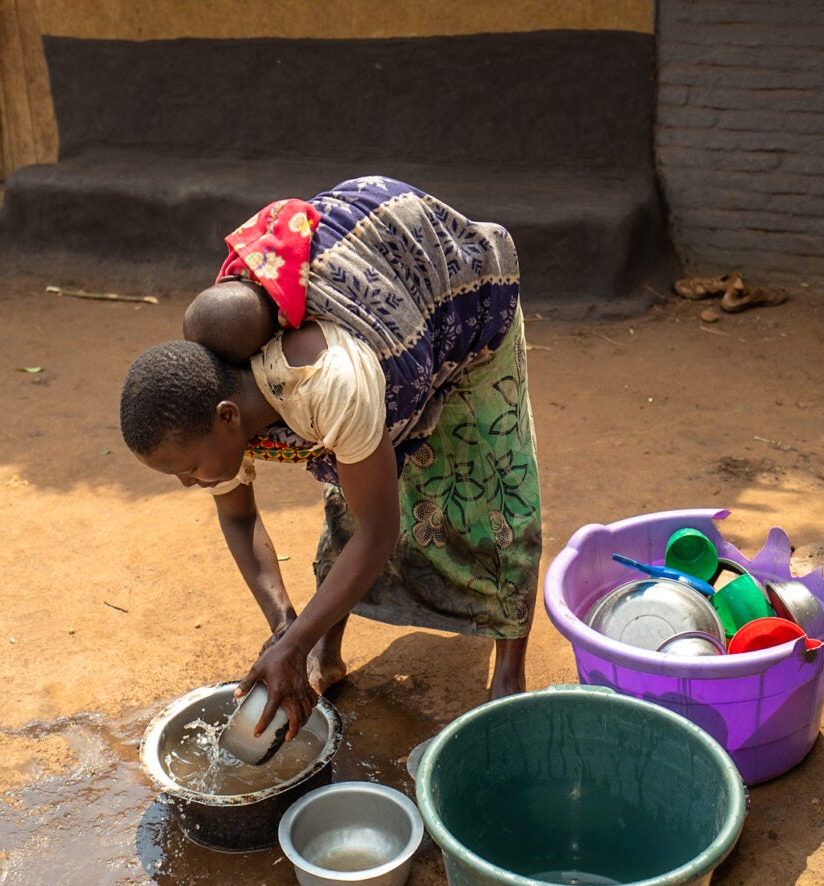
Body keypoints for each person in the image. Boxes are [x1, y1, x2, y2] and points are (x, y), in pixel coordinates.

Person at [119, 177, 541, 738]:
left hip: (459, 298)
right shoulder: (214, 396)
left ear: (228, 416)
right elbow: (239, 516)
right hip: (374, 361)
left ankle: (509, 668)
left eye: (189, 469)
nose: (187, 483)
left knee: (492, 484)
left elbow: (378, 531)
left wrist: (291, 646)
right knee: (349, 490)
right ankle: (324, 651)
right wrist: (285, 629)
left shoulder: (327, 383)